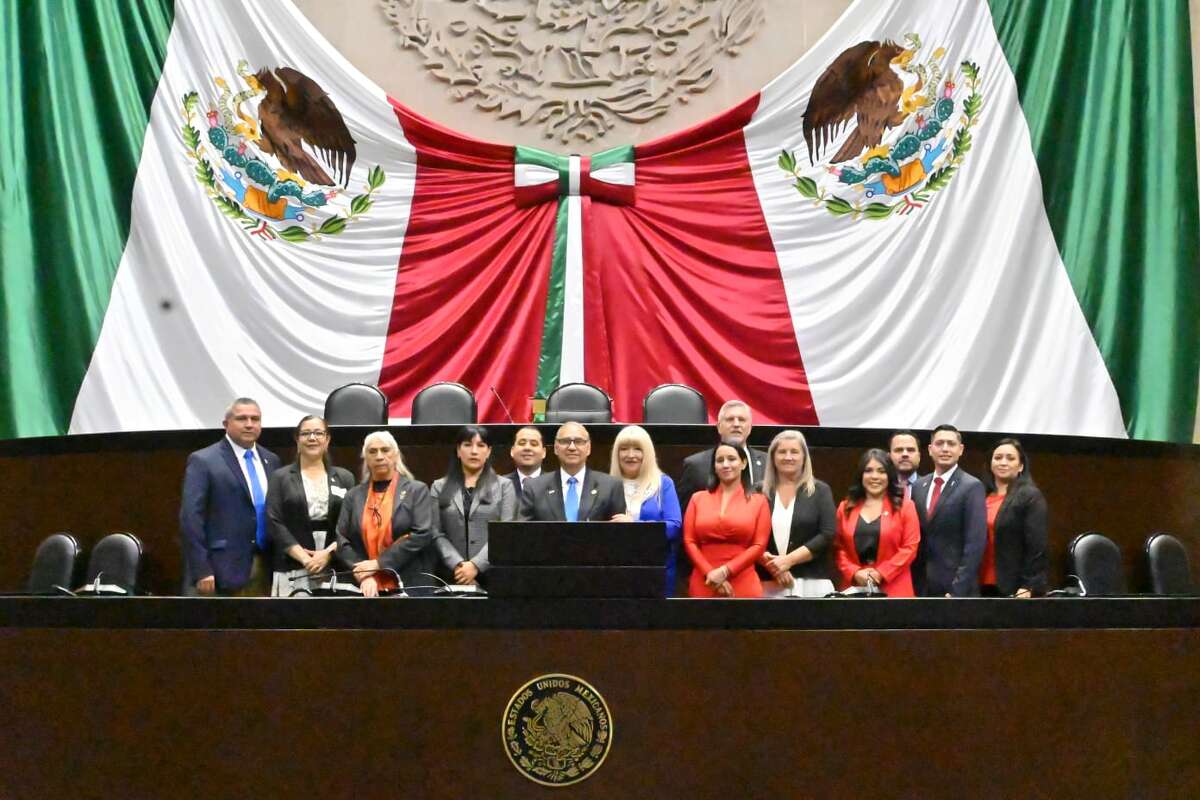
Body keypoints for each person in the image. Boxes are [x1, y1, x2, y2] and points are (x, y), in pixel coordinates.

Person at [180, 397, 281, 596]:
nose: (249, 424)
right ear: (226, 424)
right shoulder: (204, 460)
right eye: (242, 419)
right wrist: (202, 569)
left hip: (263, 566)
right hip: (219, 569)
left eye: (255, 419)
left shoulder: (271, 460)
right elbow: (191, 519)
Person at [333, 431, 435, 596]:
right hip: (365, 588)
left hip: (409, 584)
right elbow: (342, 539)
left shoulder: (417, 490)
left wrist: (379, 563)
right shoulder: (353, 495)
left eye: (385, 450)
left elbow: (422, 534)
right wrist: (363, 573)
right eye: (372, 451)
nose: (379, 456)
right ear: (365, 457)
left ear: (395, 455)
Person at [265, 415, 356, 597]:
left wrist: (328, 553)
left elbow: (353, 522)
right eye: (306, 433)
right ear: (297, 439)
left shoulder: (345, 477)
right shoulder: (280, 477)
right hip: (292, 564)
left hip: (334, 564)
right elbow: (274, 521)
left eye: (318, 433)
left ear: (327, 439)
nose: (312, 438)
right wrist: (306, 559)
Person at [682, 440, 771, 598]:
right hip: (705, 579)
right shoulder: (697, 498)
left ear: (743, 463)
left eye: (731, 459)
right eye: (720, 460)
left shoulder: (759, 501)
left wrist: (725, 571)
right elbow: (689, 541)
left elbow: (759, 545)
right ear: (714, 467)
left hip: (742, 579)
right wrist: (710, 573)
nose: (725, 464)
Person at [430, 425, 516, 587]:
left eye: (481, 445)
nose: (474, 451)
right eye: (468, 445)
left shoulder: (505, 486)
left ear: (489, 451)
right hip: (451, 573)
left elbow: (506, 532)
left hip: (491, 573)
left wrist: (476, 565)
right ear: (458, 450)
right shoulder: (438, 486)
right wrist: (459, 565)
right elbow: (435, 532)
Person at [756, 430, 837, 597]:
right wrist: (774, 567)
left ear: (804, 457)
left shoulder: (820, 490)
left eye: (794, 452)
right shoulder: (758, 491)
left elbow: (827, 534)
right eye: (782, 452)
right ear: (772, 457)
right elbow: (749, 535)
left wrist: (787, 561)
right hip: (769, 583)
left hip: (811, 584)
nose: (788, 457)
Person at [832, 449, 921, 596]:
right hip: (853, 589)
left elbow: (910, 547)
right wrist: (854, 572)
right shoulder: (845, 508)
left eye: (881, 471)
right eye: (868, 471)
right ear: (861, 475)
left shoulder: (905, 506)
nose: (875, 476)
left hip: (895, 589)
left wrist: (881, 573)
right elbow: (838, 548)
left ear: (889, 475)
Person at [911, 424, 987, 597]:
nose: (945, 449)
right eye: (939, 443)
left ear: (960, 450)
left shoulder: (972, 486)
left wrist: (957, 589)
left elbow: (975, 544)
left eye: (951, 444)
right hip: (922, 588)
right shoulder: (918, 486)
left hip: (956, 590)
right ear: (930, 449)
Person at [608, 425, 683, 595]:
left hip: (655, 570)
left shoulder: (663, 484)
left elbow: (674, 527)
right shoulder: (606, 485)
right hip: (616, 572)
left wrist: (635, 524)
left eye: (638, 449)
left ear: (647, 453)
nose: (630, 455)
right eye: (624, 449)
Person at [979, 438, 1048, 597]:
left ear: (1021, 466)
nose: (1003, 462)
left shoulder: (1030, 496)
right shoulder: (980, 495)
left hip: (1014, 586)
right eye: (998, 458)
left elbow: (1037, 546)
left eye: (1010, 458)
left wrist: (1028, 585)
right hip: (979, 584)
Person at [518, 421, 626, 521]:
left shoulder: (611, 486)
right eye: (565, 441)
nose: (572, 447)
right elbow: (523, 533)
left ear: (588, 448)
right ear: (556, 448)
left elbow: (618, 533)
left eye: (579, 442)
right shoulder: (534, 487)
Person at [675, 399, 768, 511]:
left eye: (742, 420)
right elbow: (685, 512)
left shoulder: (768, 462)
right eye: (730, 419)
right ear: (719, 427)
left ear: (750, 427)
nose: (736, 424)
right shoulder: (696, 465)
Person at [502, 426, 546, 496]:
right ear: (512, 451)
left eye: (534, 444)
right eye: (522, 443)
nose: (527, 448)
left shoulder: (557, 483)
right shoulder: (500, 485)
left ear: (544, 452)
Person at [888, 430, 922, 501]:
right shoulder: (882, 488)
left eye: (910, 450)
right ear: (889, 456)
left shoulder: (931, 487)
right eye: (899, 450)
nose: (905, 454)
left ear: (919, 457)